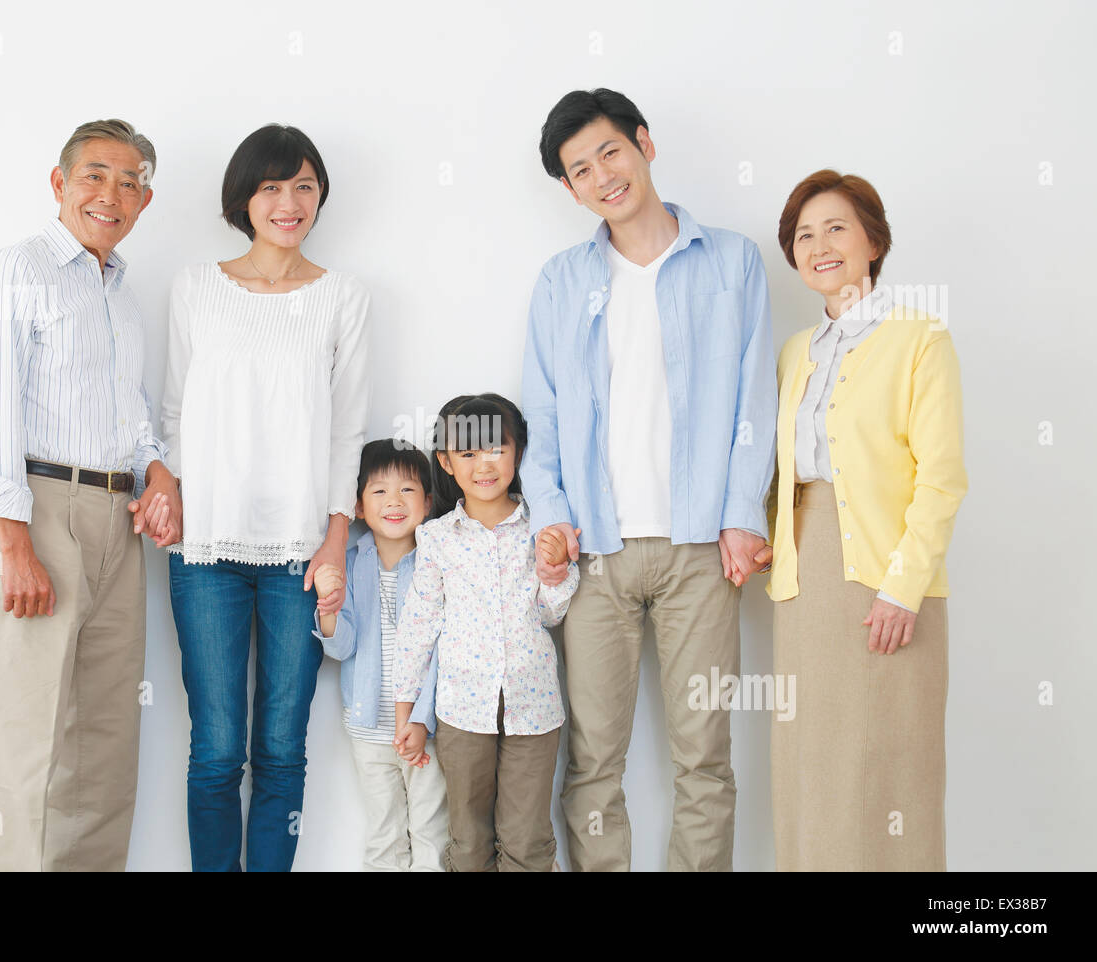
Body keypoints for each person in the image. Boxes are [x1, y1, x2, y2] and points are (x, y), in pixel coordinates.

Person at [521, 88, 777, 871]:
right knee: (594, 759)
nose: (602, 175)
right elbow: (543, 413)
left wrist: (741, 513)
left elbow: (754, 397)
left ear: (643, 145)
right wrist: (553, 519)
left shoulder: (731, 261)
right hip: (594, 552)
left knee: (704, 756)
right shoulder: (561, 281)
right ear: (569, 189)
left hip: (701, 547)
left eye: (610, 152)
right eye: (580, 170)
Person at [0, 118, 182, 871]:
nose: (110, 194)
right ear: (59, 184)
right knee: (20, 739)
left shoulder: (123, 293)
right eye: (95, 175)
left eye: (130, 182)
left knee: (104, 744)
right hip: (39, 513)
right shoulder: (17, 269)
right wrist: (12, 544)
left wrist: (158, 474)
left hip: (120, 525)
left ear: (145, 200)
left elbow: (134, 415)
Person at [161, 124, 370, 871]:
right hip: (206, 546)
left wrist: (337, 540)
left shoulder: (342, 297)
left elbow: (348, 430)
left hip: (301, 555)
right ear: (244, 198)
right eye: (272, 186)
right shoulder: (196, 287)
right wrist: (169, 491)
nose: (290, 202)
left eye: (305, 186)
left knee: (283, 751)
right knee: (216, 751)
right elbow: (176, 415)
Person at [766, 170, 967, 871]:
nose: (819, 245)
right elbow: (785, 478)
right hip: (804, 586)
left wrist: (901, 588)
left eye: (836, 227)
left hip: (889, 581)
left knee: (892, 772)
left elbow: (942, 480)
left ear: (873, 240)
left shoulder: (920, 338)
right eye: (803, 235)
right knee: (811, 773)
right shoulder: (795, 352)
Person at [395, 394, 579, 872]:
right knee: (470, 841)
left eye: (496, 449)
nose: (484, 465)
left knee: (527, 840)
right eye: (468, 453)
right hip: (461, 710)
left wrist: (555, 570)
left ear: (518, 451)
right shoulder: (436, 538)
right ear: (446, 461)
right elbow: (417, 628)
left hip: (534, 708)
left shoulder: (542, 526)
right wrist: (406, 715)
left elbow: (552, 613)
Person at [311, 439, 449, 871]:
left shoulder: (438, 563)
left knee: (432, 833)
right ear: (357, 505)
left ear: (427, 503)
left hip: (426, 729)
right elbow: (342, 647)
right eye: (379, 491)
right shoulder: (352, 563)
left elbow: (448, 652)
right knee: (384, 835)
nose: (394, 501)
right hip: (370, 727)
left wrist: (421, 719)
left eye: (407, 490)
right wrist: (329, 610)